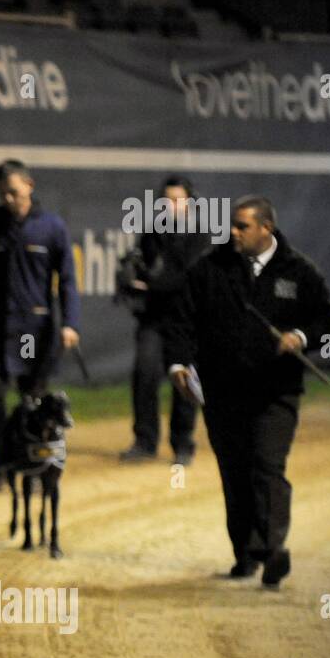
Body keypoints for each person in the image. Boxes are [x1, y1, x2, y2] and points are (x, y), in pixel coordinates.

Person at [164, 195, 330, 588]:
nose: (233, 232)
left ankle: (272, 548)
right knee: (236, 472)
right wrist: (178, 364)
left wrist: (302, 335)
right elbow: (181, 321)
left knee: (266, 465)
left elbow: (329, 322)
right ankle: (244, 553)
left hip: (276, 390)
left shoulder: (299, 272)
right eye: (232, 225)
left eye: (242, 226)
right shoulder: (209, 268)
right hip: (222, 391)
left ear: (266, 229)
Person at [0, 159, 80, 492]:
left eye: (13, 192)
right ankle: (3, 461)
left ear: (29, 186)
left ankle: (34, 463)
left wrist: (70, 323)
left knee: (33, 402)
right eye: (3, 193)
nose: (8, 199)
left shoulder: (52, 227)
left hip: (35, 332)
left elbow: (69, 281)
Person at [120, 175, 207, 465]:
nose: (171, 205)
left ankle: (183, 444)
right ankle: (145, 441)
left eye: (177, 199)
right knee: (144, 373)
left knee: (183, 378)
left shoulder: (200, 234)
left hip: (187, 320)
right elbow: (142, 268)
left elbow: (185, 278)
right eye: (167, 200)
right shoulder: (153, 233)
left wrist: (152, 284)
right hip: (154, 317)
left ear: (190, 202)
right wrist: (130, 279)